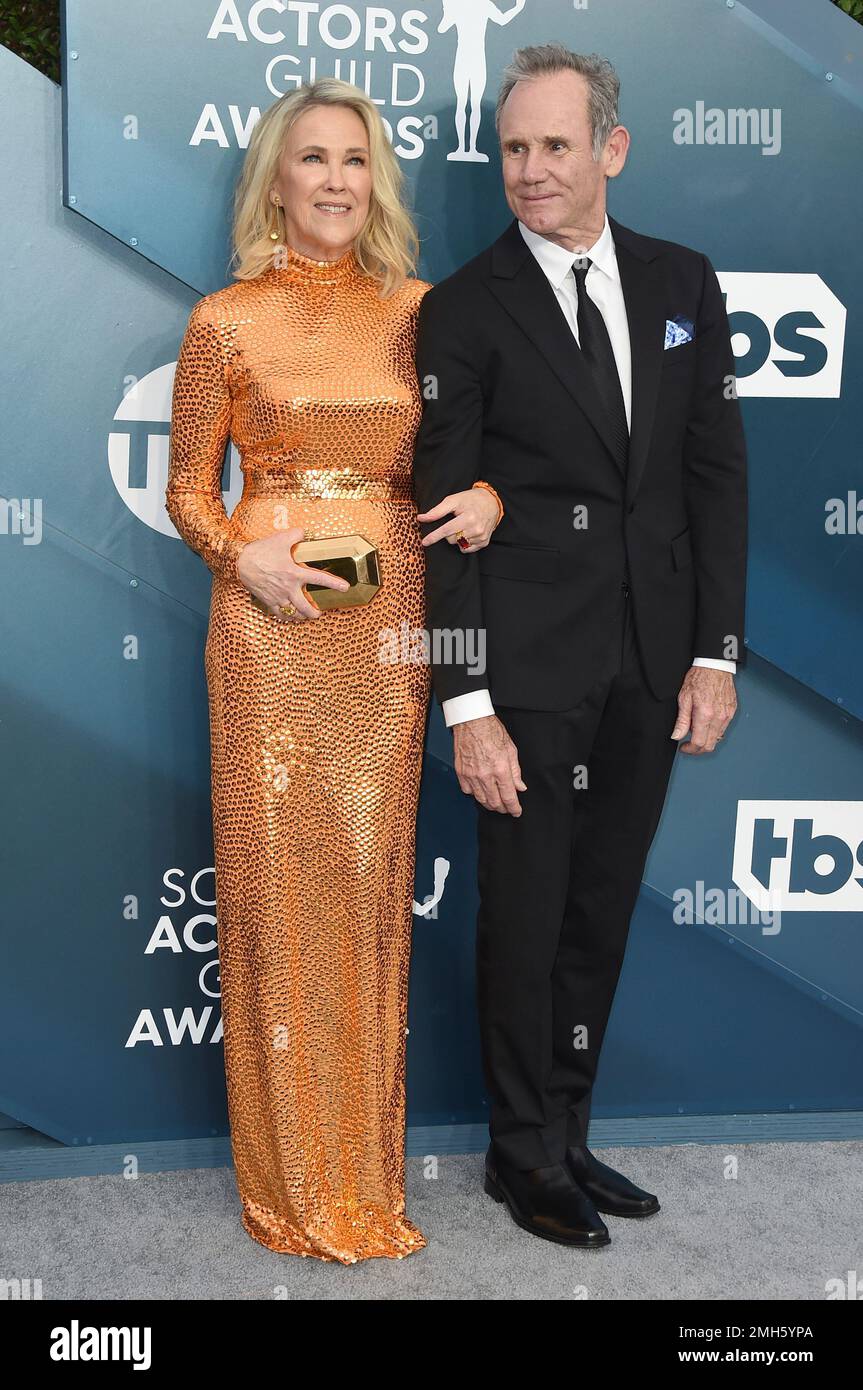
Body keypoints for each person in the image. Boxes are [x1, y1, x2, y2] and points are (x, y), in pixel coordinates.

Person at [412, 45, 747, 1249]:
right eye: (512, 148)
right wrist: (465, 704)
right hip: (521, 675)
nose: (529, 170)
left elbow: (714, 480)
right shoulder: (458, 308)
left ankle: (566, 1130)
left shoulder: (680, 283)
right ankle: (518, 1158)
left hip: (650, 665)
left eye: (554, 145)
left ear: (609, 149)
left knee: (598, 909)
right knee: (524, 912)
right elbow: (438, 530)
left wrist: (713, 652)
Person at [166, 79, 502, 1265]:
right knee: (272, 891)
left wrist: (496, 494)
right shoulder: (223, 319)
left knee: (366, 885)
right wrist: (235, 553)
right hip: (266, 627)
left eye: (353, 160)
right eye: (310, 159)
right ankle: (290, 1182)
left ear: (376, 180)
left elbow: (484, 445)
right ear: (275, 179)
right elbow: (182, 487)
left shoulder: (423, 312)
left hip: (387, 626)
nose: (333, 181)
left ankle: (361, 1170)